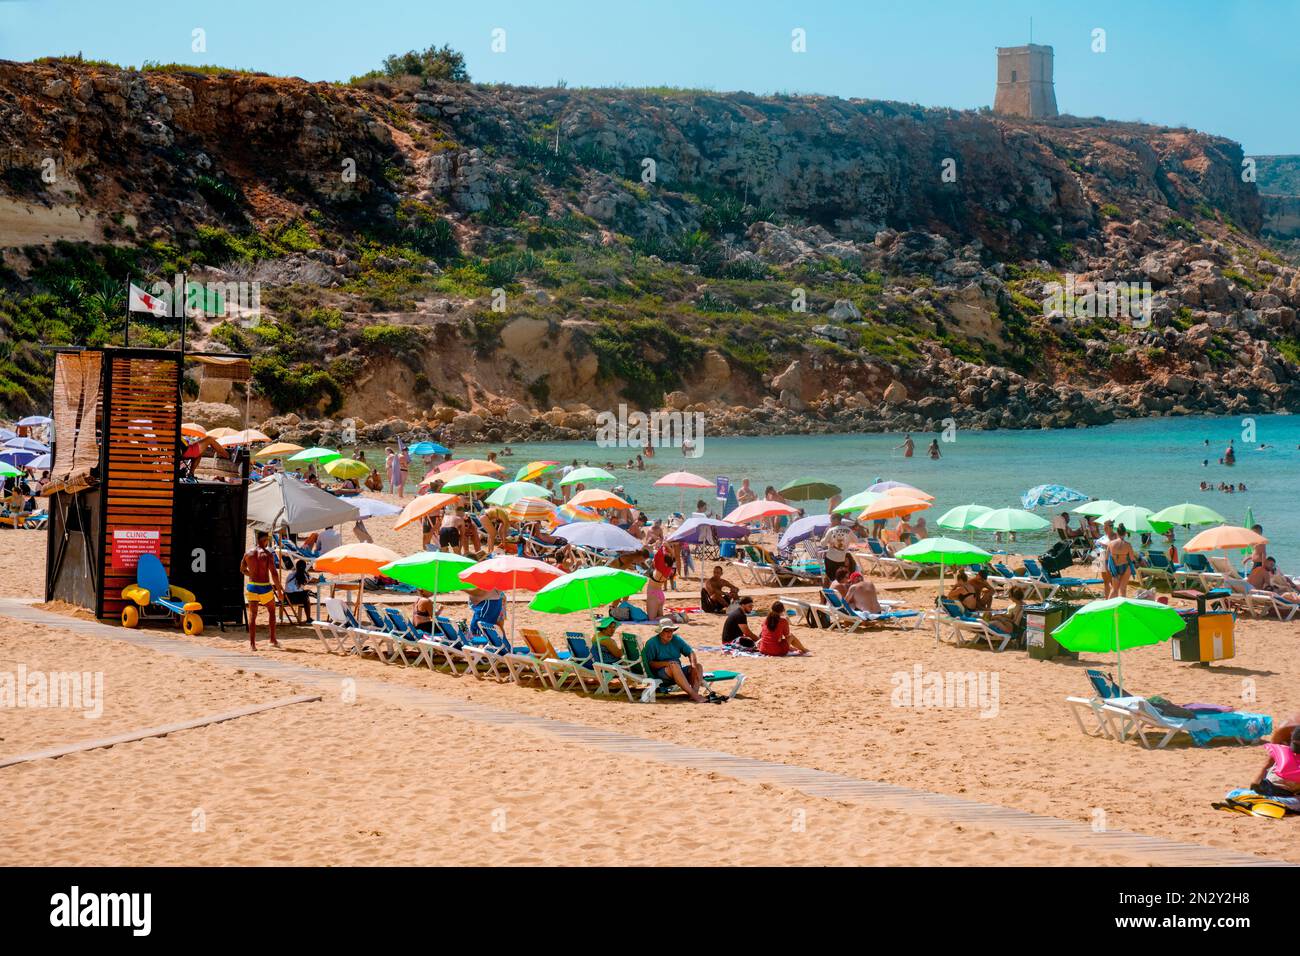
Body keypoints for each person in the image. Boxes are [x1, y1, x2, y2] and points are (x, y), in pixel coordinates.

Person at [643, 619, 707, 702]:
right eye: (667, 631)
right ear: (660, 632)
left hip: (677, 670)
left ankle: (695, 692)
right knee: (674, 665)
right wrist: (666, 664)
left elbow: (690, 652)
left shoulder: (676, 639)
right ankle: (694, 695)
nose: (670, 634)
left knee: (698, 666)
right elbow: (650, 664)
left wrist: (693, 665)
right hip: (661, 674)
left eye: (671, 631)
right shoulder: (652, 643)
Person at [240, 531, 283, 651]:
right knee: (272, 611)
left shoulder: (247, 553)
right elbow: (274, 574)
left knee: (252, 615)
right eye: (267, 539)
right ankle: (272, 640)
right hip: (264, 586)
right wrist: (279, 591)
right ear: (264, 540)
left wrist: (251, 574)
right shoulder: (267, 554)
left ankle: (252, 645)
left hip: (252, 586)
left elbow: (242, 569)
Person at [1248, 726, 1300, 799]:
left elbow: (1268, 763)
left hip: (1267, 786)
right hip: (1285, 792)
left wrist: (1257, 781)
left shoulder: (1282, 750)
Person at [1105, 524, 1139, 598]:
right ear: (1125, 533)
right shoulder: (1128, 545)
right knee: (1123, 589)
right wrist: (1136, 564)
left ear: (1117, 532)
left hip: (1114, 568)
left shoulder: (1110, 544)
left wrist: (1108, 569)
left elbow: (1106, 558)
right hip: (1125, 566)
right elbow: (1132, 558)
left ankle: (1109, 606)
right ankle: (1121, 607)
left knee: (1114, 589)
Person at [282, 558, 312, 624]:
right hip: (295, 598)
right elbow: (312, 579)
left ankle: (309, 618)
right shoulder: (304, 575)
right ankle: (308, 618)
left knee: (304, 593)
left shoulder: (291, 574)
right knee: (306, 595)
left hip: (286, 598)